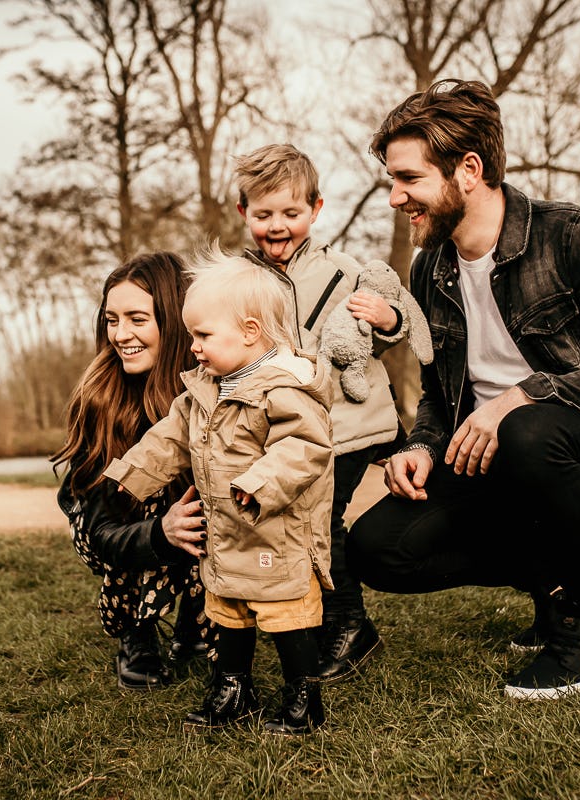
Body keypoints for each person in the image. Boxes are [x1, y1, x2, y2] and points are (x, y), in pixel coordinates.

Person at [348, 79, 580, 700]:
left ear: (468, 170)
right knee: (377, 547)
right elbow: (438, 393)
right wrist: (423, 446)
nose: (395, 196)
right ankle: (554, 587)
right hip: (499, 466)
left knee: (527, 427)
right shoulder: (431, 268)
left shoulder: (572, 235)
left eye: (408, 179)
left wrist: (524, 393)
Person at [103, 249, 335, 735]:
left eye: (203, 335)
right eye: (192, 335)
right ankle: (234, 688)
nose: (193, 347)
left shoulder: (284, 389)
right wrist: (129, 475)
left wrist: (259, 484)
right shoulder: (206, 389)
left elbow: (306, 446)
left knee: (286, 612)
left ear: (250, 332)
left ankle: (302, 695)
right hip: (227, 535)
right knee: (227, 610)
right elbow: (169, 438)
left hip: (276, 535)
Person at [233, 143, 417, 682]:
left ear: (314, 210)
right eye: (263, 214)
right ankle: (318, 619)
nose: (277, 226)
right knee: (297, 522)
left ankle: (349, 624)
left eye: (290, 213)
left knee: (322, 519)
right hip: (289, 432)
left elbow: (397, 328)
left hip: (349, 424)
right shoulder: (241, 283)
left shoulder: (342, 271)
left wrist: (386, 319)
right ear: (245, 213)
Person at [52, 252, 212, 691]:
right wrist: (162, 534)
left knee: (216, 494)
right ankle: (136, 636)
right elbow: (102, 528)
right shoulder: (101, 397)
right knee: (152, 493)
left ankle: (196, 624)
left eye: (137, 319)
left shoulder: (212, 385)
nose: (121, 335)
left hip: (185, 525)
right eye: (112, 320)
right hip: (108, 530)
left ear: (173, 320)